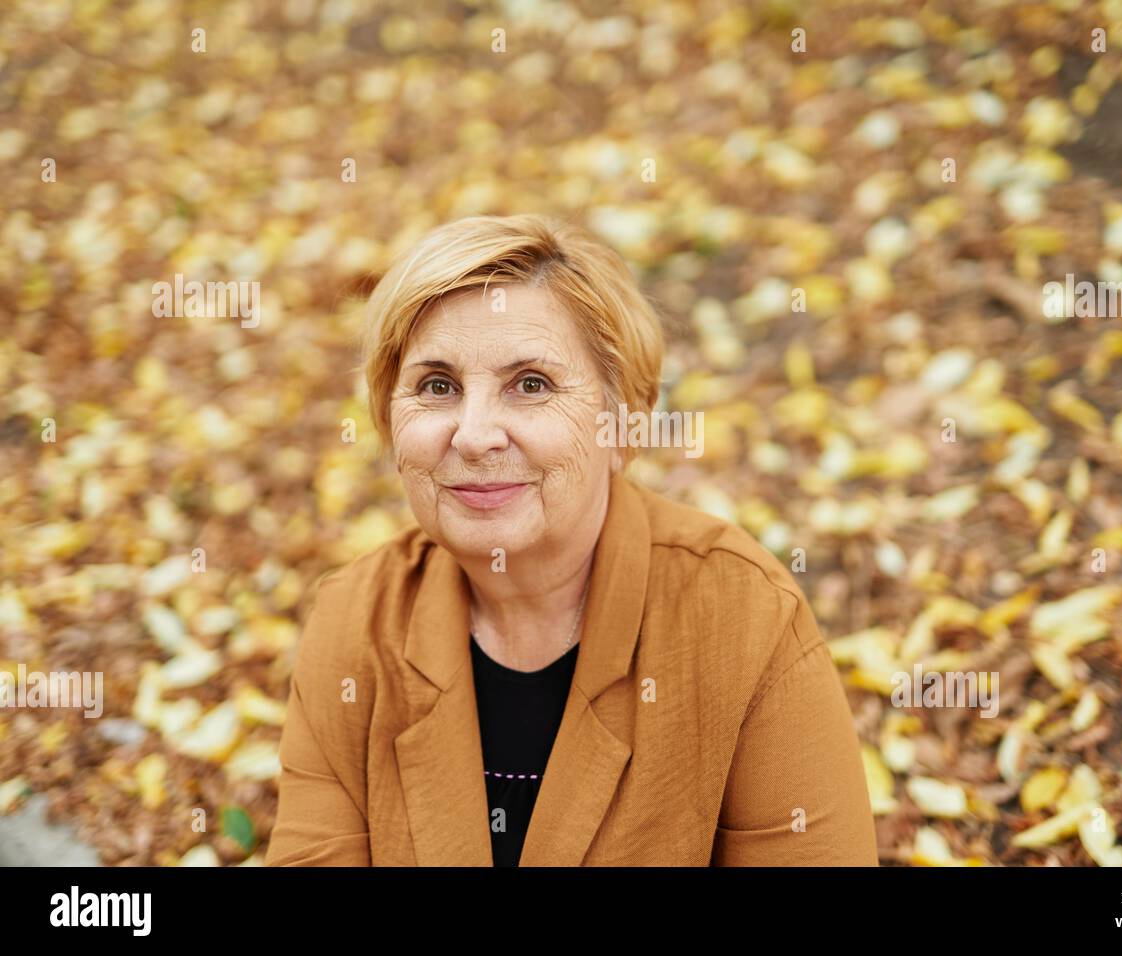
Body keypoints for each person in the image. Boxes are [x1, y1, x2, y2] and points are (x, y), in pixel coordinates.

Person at [264, 214, 878, 866]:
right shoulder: (354, 624)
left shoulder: (741, 615)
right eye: (437, 386)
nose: (474, 435)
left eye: (531, 385)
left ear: (622, 422)